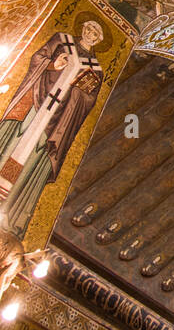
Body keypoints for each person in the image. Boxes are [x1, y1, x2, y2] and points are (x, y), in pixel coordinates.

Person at [0, 22, 104, 235]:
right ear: (83, 28)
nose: (90, 33)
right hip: (37, 100)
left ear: (99, 40)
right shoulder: (61, 40)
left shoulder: (96, 68)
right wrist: (52, 65)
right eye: (89, 28)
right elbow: (37, 58)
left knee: (35, 153)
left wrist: (78, 89)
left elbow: (88, 100)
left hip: (58, 117)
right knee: (16, 138)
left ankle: (8, 207)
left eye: (96, 33)